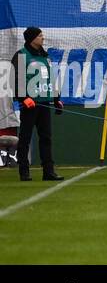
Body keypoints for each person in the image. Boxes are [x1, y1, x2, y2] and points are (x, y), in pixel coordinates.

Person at [10, 27, 63, 182]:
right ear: (32, 38)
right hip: (30, 104)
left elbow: (51, 79)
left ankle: (49, 171)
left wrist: (55, 99)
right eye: (40, 35)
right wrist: (23, 98)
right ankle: (24, 171)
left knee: (46, 138)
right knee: (25, 138)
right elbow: (16, 79)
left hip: (44, 103)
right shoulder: (21, 55)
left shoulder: (45, 57)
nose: (43, 38)